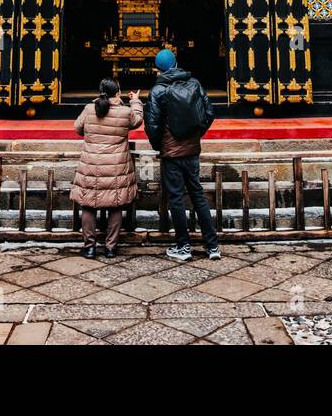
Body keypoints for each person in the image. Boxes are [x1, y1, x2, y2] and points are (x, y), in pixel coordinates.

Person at [143, 49, 220, 261]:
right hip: (192, 149)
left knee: (176, 198)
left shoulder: (158, 90)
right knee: (197, 194)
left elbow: (153, 124)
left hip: (171, 152)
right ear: (176, 62)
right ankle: (212, 246)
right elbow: (209, 112)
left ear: (158, 68)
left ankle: (183, 246)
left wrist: (160, 145)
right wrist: (196, 135)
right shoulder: (194, 83)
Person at [70, 77, 142, 259]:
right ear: (118, 92)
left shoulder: (89, 109)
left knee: (88, 205)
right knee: (115, 205)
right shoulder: (125, 112)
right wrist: (135, 101)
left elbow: (78, 128)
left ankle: (90, 246)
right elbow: (137, 121)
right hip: (116, 166)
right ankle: (110, 247)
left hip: (92, 164)